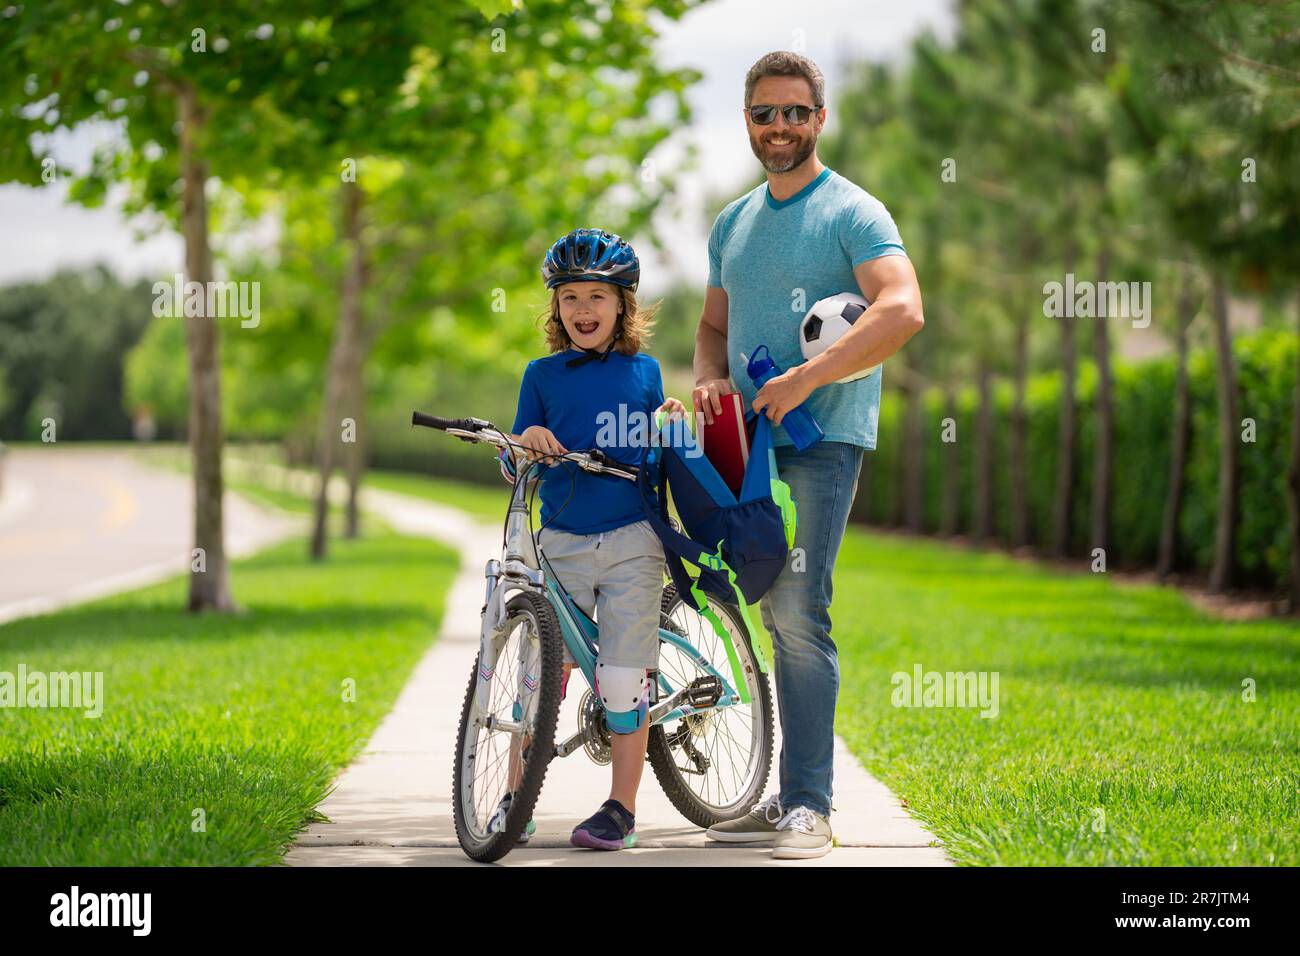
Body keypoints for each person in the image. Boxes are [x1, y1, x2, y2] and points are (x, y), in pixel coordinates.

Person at [693, 52, 924, 859]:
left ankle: (809, 807)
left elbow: (903, 309)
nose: (780, 126)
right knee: (761, 600)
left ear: (820, 119)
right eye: (766, 113)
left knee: (798, 608)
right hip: (742, 444)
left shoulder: (854, 212)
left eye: (796, 112)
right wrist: (707, 382)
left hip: (822, 441)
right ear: (748, 121)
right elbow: (714, 327)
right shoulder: (733, 222)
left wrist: (805, 379)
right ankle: (789, 791)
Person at [489, 227, 687, 850]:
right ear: (555, 308)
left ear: (623, 305)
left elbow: (664, 453)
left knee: (625, 679)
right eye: (570, 297)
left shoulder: (646, 372)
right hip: (563, 542)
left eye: (597, 297)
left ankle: (620, 809)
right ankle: (515, 799)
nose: (583, 310)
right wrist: (528, 444)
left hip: (633, 539)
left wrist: (671, 425)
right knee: (538, 676)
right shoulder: (541, 376)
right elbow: (515, 457)